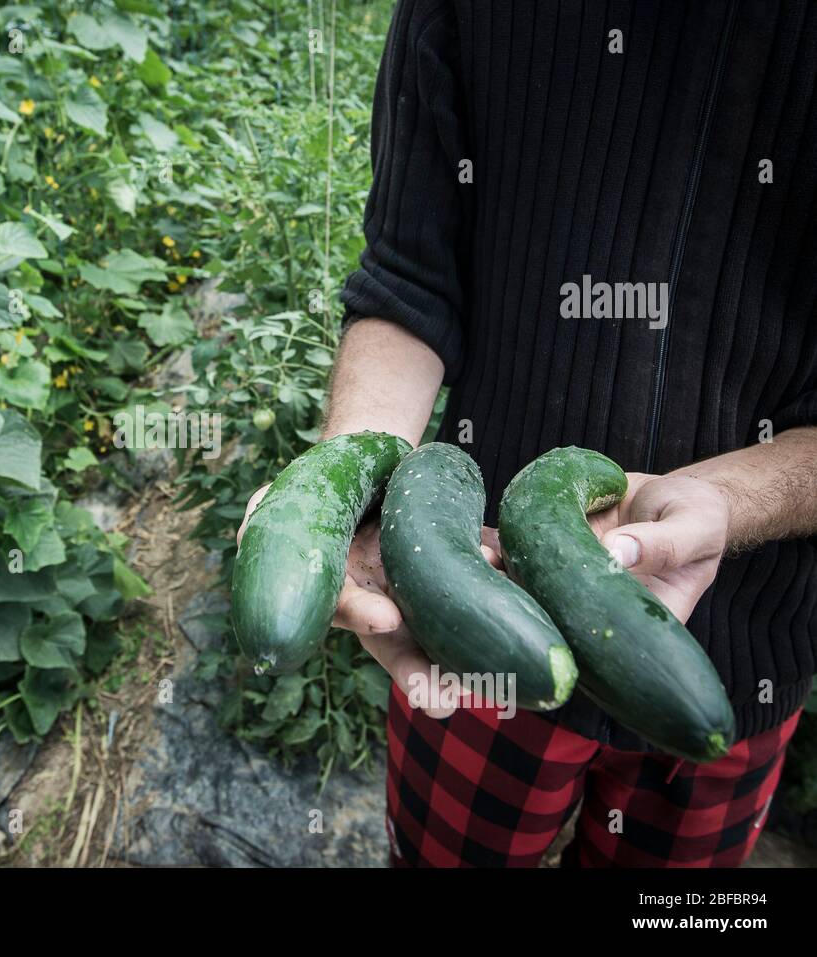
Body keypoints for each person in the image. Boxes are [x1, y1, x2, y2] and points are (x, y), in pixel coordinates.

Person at [239, 0, 817, 867]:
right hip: (471, 612)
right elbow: (408, 280)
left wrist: (729, 502)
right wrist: (341, 486)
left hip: (740, 650)